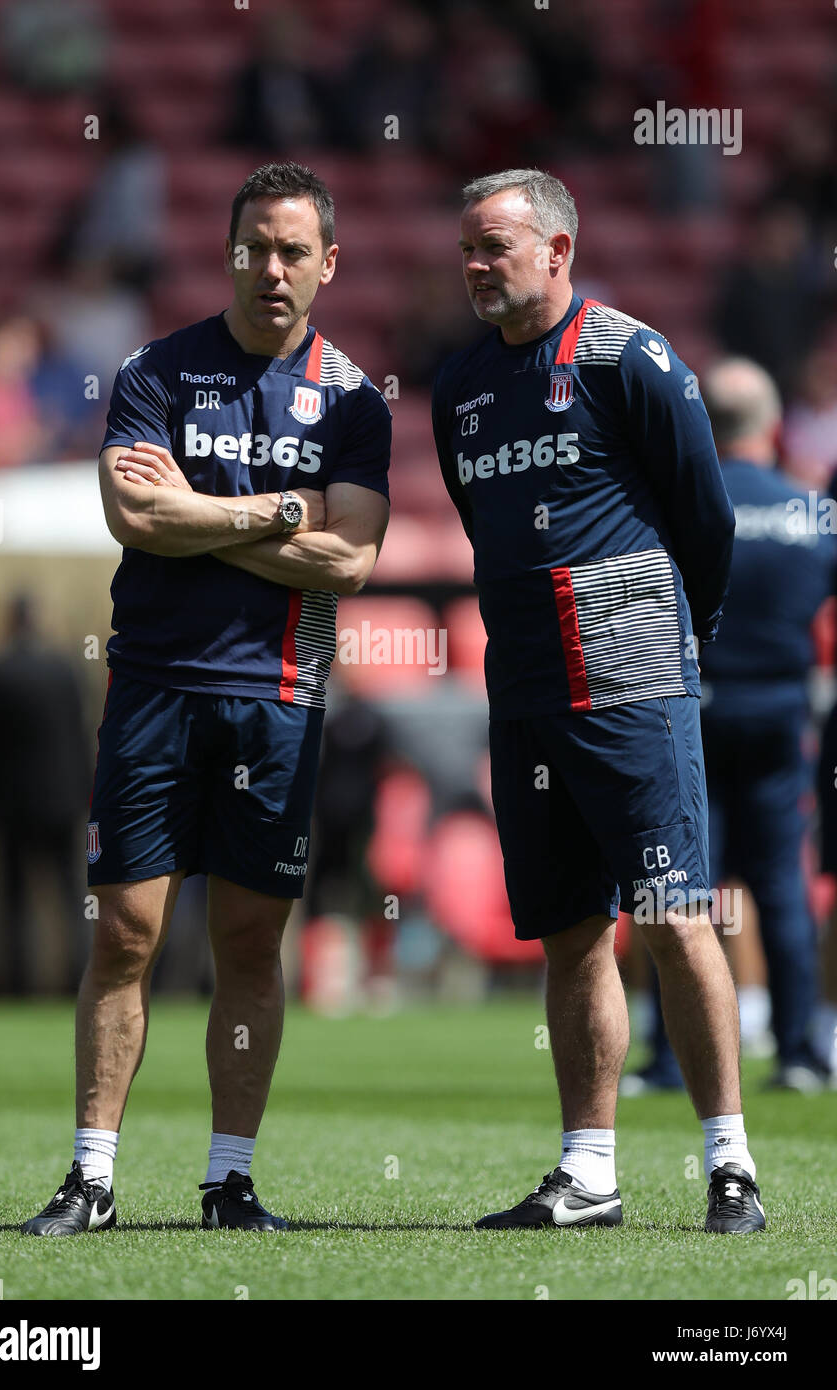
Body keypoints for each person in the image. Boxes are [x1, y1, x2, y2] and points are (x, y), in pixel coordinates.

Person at [23, 162, 392, 1236]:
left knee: (247, 945)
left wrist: (205, 507)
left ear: (329, 263)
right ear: (227, 253)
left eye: (292, 251)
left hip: (279, 700)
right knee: (126, 936)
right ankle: (92, 1177)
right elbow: (135, 520)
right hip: (153, 688)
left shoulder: (357, 400)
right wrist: (283, 508)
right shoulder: (158, 369)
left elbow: (353, 564)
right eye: (253, 247)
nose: (270, 268)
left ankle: (229, 1182)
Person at [432, 168, 763, 1234]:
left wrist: (676, 639)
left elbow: (705, 524)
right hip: (522, 679)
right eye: (468, 248)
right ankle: (588, 1172)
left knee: (672, 913)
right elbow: (486, 528)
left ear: (560, 250)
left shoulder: (631, 356)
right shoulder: (460, 384)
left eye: (497, 246)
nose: (477, 266)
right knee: (572, 933)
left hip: (629, 665)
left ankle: (731, 1166)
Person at [623, 358, 835, 1094]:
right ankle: (802, 1053)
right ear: (775, 427)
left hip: (691, 714)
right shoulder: (813, 513)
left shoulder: (678, 509)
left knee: (680, 891)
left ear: (705, 428)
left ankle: (668, 1059)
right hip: (780, 717)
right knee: (781, 888)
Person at [0, 593, 91, 993]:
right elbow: (79, 738)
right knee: (72, 899)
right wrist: (87, 791)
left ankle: (19, 985)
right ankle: (79, 977)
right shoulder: (64, 670)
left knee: (14, 902)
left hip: (11, 807)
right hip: (61, 803)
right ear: (36, 620)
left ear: (9, 621)